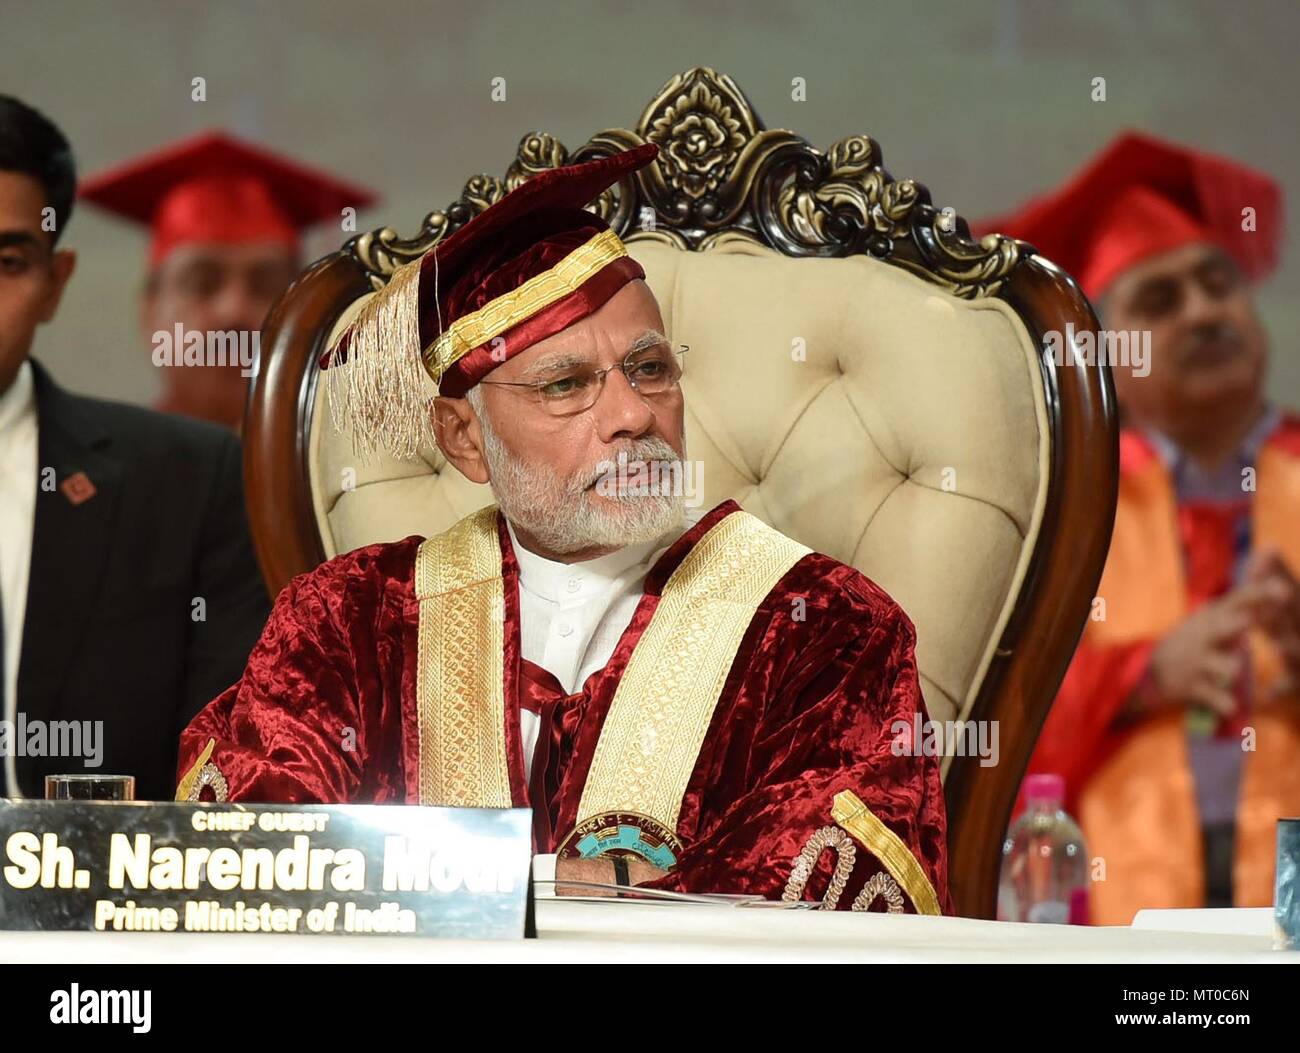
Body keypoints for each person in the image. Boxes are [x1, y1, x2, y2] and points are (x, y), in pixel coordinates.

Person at [177, 144, 950, 913]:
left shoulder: (827, 630)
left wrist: (460, 879)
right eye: (567, 385)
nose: (632, 416)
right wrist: (591, 884)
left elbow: (826, 888)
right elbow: (261, 856)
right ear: (464, 439)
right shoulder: (353, 622)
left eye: (649, 369)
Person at [983, 131, 1300, 923]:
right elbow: (991, 728)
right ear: (1102, 349)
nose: (1202, 311)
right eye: (1161, 300)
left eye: (1216, 282)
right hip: (1119, 904)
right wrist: (1147, 676)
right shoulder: (1060, 500)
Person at [0, 95, 271, 799]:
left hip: (92, 897)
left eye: (5, 261)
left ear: (55, 283)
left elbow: (222, 781)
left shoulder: (189, 481)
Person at [80, 131, 376, 430]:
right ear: (150, 312)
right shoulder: (102, 471)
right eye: (202, 284)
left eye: (264, 285)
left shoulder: (349, 469)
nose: (233, 311)